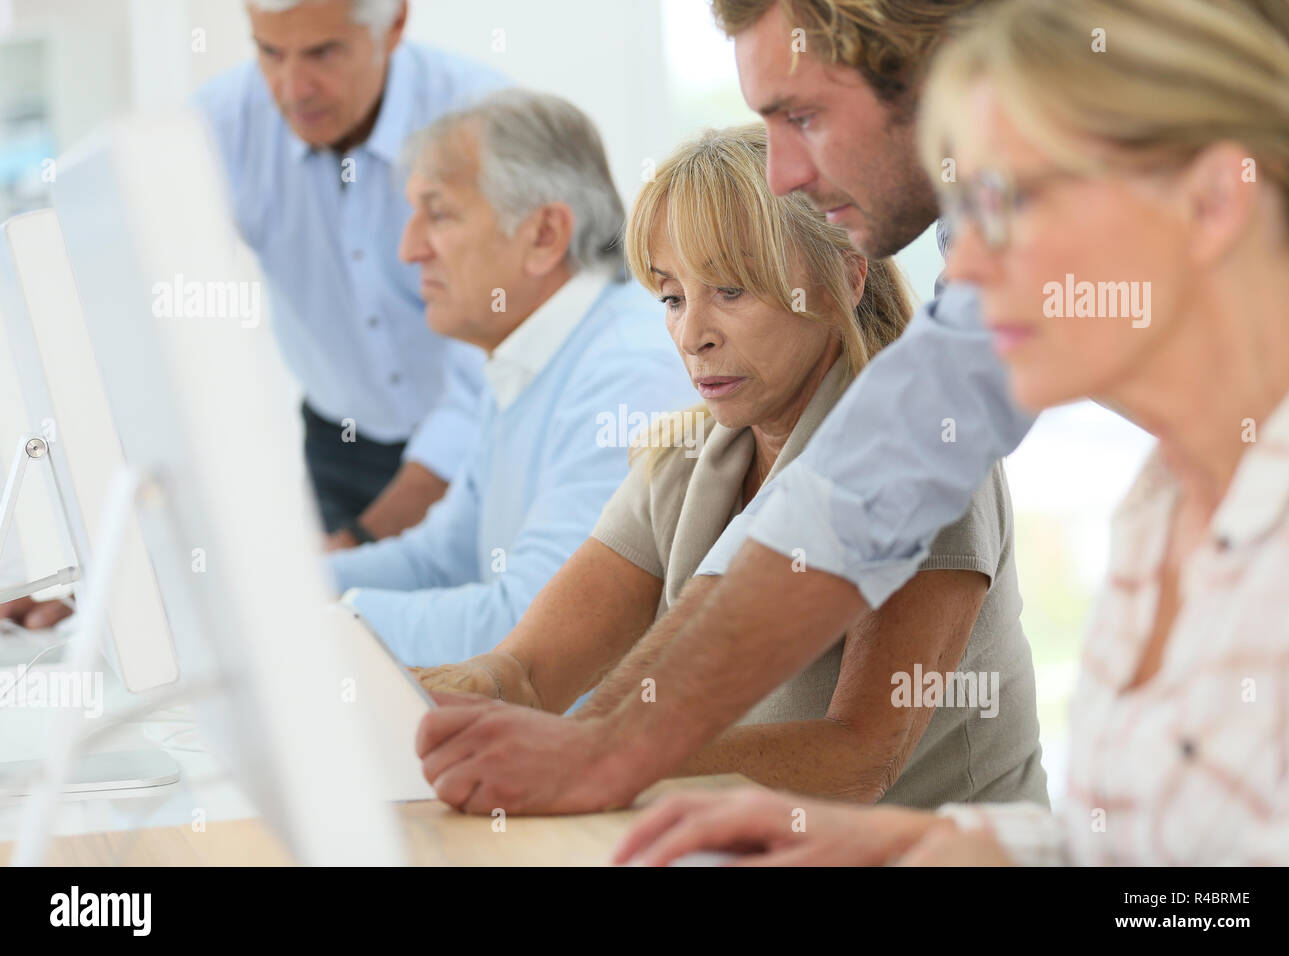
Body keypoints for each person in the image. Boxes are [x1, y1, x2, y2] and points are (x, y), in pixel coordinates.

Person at [615, 0, 1289, 866]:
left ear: (1209, 203)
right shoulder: (1160, 510)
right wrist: (942, 841)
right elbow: (1157, 856)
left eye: (1004, 203)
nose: (965, 267)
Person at [413, 0, 1039, 816]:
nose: (692, 334)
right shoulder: (690, 461)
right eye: (671, 298)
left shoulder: (951, 429)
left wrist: (607, 752)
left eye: (731, 290)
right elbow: (528, 672)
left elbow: (859, 757)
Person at [1, 0, 507, 630]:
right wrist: (99, 557)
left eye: (323, 52)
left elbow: (489, 372)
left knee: (482, 651)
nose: (293, 89)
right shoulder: (220, 123)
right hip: (341, 445)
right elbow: (127, 326)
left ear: (395, 23)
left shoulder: (484, 125)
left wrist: (349, 548)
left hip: (487, 442)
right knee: (350, 656)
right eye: (270, 51)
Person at [329, 89, 696, 665]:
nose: (408, 249)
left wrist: (317, 622)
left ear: (545, 235)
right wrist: (281, 586)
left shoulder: (626, 372)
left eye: (439, 212)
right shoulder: (528, 356)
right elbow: (438, 560)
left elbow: (529, 630)